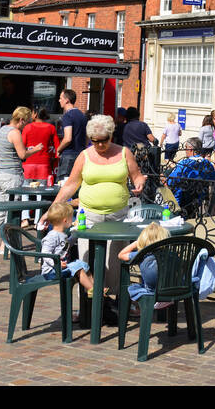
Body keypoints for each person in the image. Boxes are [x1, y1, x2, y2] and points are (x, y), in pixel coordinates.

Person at [52, 113, 147, 309]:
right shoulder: (85, 156)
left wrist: (139, 184)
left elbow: (137, 176)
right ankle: (86, 306)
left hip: (118, 215)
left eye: (103, 141)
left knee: (115, 262)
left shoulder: (123, 152)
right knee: (86, 259)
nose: (100, 145)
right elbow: (70, 185)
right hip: (90, 215)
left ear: (111, 136)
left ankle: (114, 303)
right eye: (95, 141)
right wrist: (53, 208)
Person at [38, 202, 90, 288]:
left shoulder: (62, 234)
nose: (73, 220)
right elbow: (45, 254)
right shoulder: (52, 236)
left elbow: (67, 244)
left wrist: (75, 234)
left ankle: (95, 289)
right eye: (71, 218)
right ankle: (93, 290)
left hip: (63, 267)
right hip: (52, 271)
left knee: (83, 265)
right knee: (77, 267)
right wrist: (56, 263)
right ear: (65, 220)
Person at [166, 136, 215, 216]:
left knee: (163, 185)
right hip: (198, 199)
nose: (185, 151)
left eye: (186, 148)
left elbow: (170, 181)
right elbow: (214, 179)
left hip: (181, 200)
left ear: (191, 149)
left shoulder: (184, 163)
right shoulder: (207, 163)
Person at [54, 88, 87, 182]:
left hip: (69, 155)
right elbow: (87, 137)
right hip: (81, 154)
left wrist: (59, 149)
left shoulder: (67, 116)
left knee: (63, 184)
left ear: (67, 100)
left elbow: (68, 138)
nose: (59, 100)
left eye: (61, 98)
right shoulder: (82, 115)